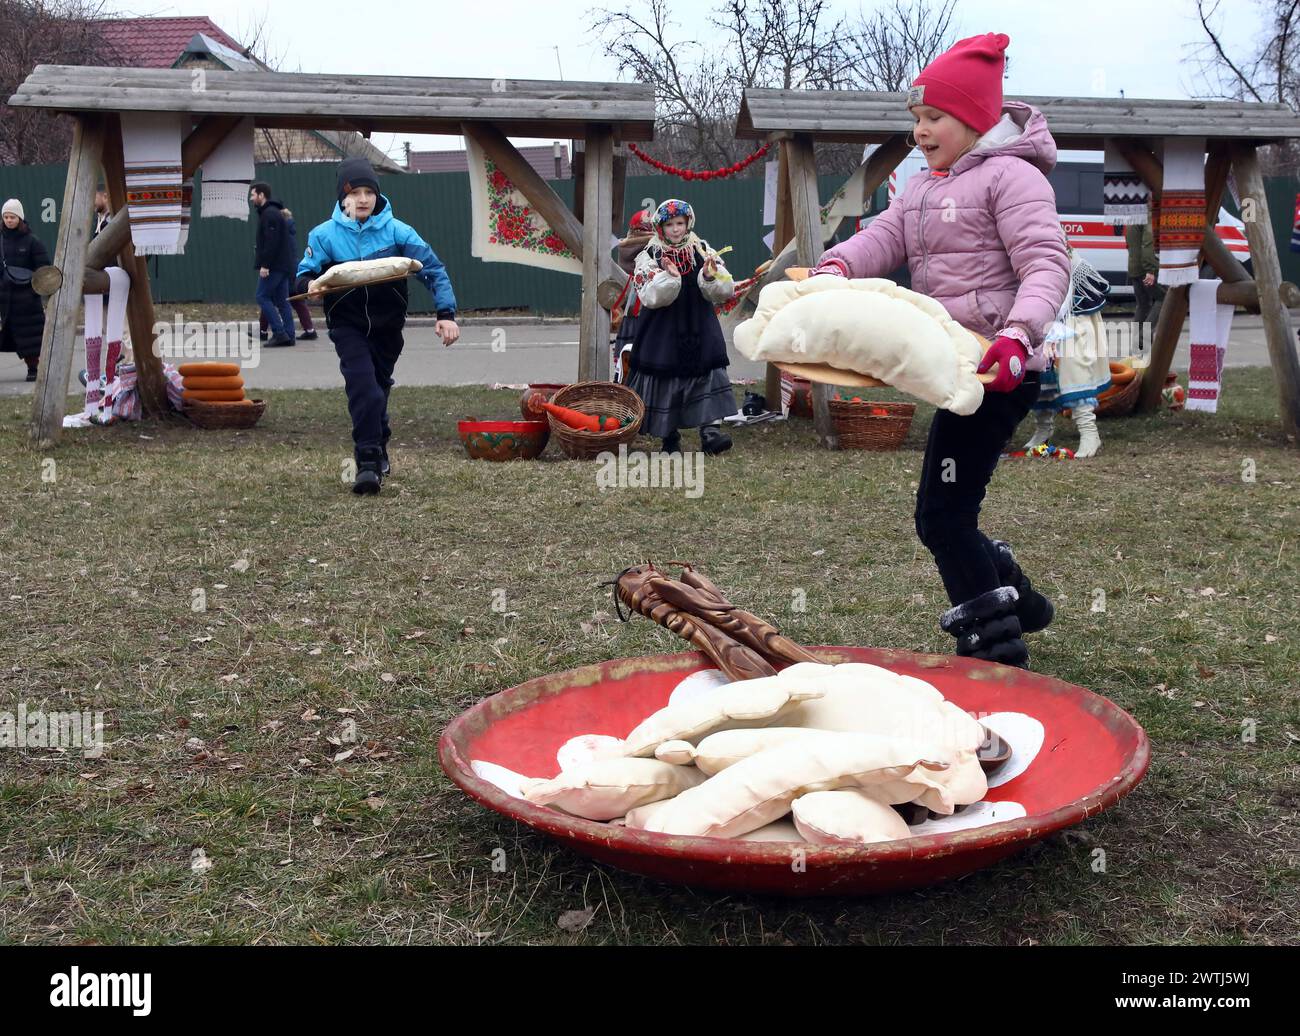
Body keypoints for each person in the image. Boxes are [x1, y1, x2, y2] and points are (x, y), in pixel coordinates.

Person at [811, 32, 1069, 668]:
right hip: (958, 368)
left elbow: (1046, 263)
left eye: (934, 117)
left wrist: (1018, 334)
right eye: (916, 119)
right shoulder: (924, 187)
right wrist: (840, 264)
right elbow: (885, 237)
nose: (920, 131)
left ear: (976, 119)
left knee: (942, 516)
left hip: (1003, 369)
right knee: (951, 509)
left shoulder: (1012, 178)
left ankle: (997, 652)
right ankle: (1012, 586)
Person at [295, 157, 459, 495]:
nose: (364, 198)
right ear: (343, 198)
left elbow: (433, 269)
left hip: (387, 328)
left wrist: (445, 314)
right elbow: (304, 274)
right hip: (347, 327)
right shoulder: (324, 235)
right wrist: (309, 285)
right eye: (356, 192)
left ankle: (379, 440)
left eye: (370, 191)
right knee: (363, 388)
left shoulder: (398, 231)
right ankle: (367, 463)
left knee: (378, 388)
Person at [625, 199, 737, 455]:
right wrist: (669, 277)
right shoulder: (649, 256)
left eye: (680, 223)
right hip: (662, 330)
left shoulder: (702, 249)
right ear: (660, 227)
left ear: (688, 223)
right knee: (666, 377)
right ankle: (669, 437)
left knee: (707, 371)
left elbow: (724, 289)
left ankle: (710, 433)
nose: (676, 229)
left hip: (699, 323)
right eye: (670, 224)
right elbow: (650, 295)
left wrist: (709, 277)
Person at [1024, 236, 1112, 458]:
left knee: (1075, 365)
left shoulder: (1046, 225)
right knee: (1037, 365)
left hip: (1071, 304)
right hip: (1037, 298)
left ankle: (1089, 431)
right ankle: (1044, 427)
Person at [0, 199, 50, 382]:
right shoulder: (1, 240)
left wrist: (35, 291)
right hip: (4, 298)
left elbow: (44, 270)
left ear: (20, 218)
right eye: (5, 216)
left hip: (27, 299)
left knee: (31, 338)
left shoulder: (32, 241)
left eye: (12, 216)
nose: (8, 220)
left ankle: (33, 368)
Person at [249, 181, 297, 348]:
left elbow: (272, 242)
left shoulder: (269, 214)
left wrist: (265, 265)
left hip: (275, 266)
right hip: (283, 264)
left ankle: (279, 333)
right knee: (282, 300)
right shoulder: (273, 212)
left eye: (253, 195)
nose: (251, 198)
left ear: (262, 195)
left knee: (262, 296)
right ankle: (289, 335)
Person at [259, 207, 317, 342]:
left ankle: (264, 331)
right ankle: (309, 330)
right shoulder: (289, 232)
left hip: (283, 270)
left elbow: (277, 252)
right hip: (292, 269)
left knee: (268, 299)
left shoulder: (280, 235)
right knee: (296, 300)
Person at [610, 209, 653, 383]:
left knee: (628, 356)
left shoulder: (624, 245)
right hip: (646, 306)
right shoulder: (650, 246)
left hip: (630, 310)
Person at [1126, 200, 1163, 352]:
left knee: (1143, 304)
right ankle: (1143, 338)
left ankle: (1138, 346)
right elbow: (1148, 245)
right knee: (1163, 298)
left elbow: (1130, 243)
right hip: (1145, 268)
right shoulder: (1149, 216)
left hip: (1134, 268)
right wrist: (1151, 270)